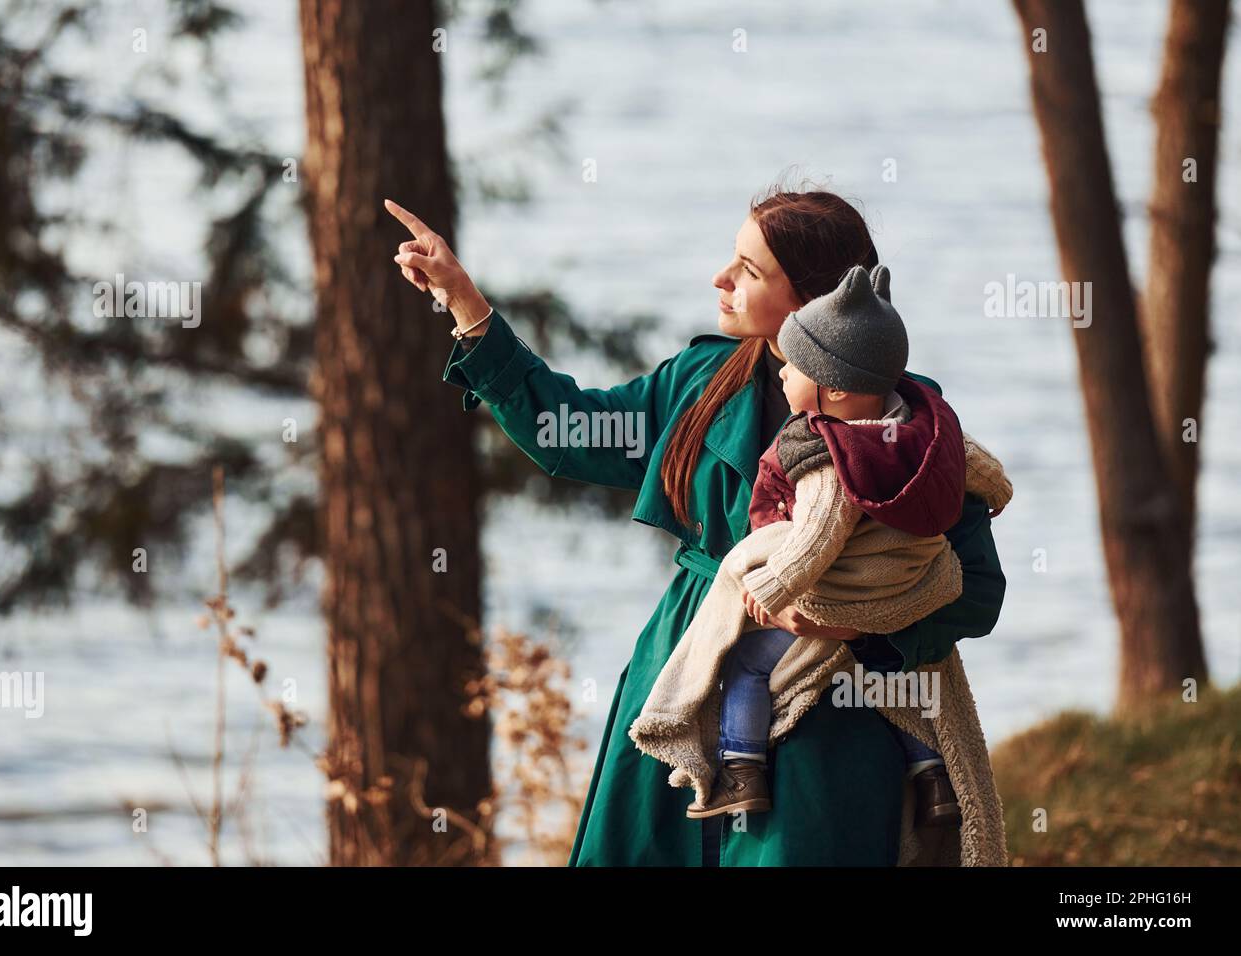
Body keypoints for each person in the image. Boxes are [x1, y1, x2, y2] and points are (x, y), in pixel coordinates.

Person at [385, 184, 1007, 866]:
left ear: (812, 298)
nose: (721, 278)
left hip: (835, 710)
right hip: (685, 671)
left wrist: (860, 627)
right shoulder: (700, 380)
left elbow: (975, 588)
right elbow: (567, 432)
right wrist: (465, 304)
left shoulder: (912, 423)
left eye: (750, 270)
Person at [626, 263, 1012, 829]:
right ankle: (932, 775)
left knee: (747, 666)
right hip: (911, 586)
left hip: (843, 591)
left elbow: (819, 533)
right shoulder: (916, 424)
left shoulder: (827, 453)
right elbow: (971, 462)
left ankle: (741, 768)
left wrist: (772, 584)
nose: (783, 375)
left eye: (795, 367)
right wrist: (999, 488)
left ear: (832, 387)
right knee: (895, 681)